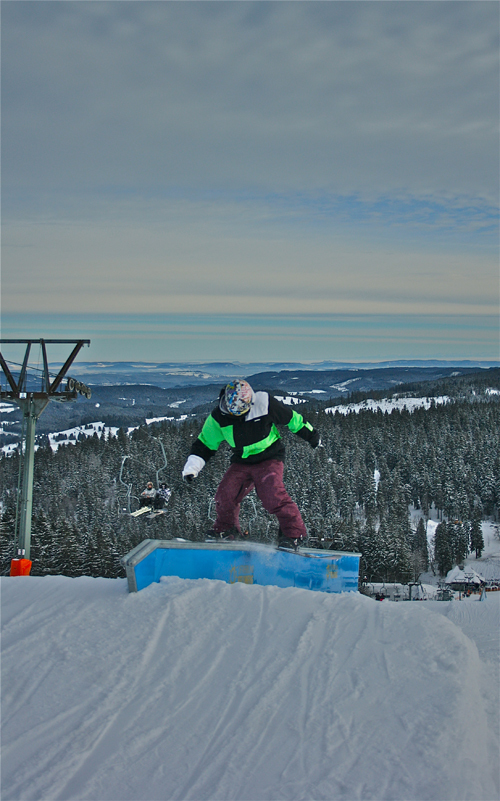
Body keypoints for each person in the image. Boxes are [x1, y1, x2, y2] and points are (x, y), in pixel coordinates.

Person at [182, 379, 320, 547]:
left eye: (240, 411)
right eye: (230, 410)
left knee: (272, 494)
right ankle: (226, 529)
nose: (235, 415)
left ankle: (294, 534)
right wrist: (192, 468)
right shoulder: (218, 418)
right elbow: (205, 444)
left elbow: (292, 419)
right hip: (243, 460)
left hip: (269, 456)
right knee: (225, 495)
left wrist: (312, 436)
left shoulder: (264, 403)